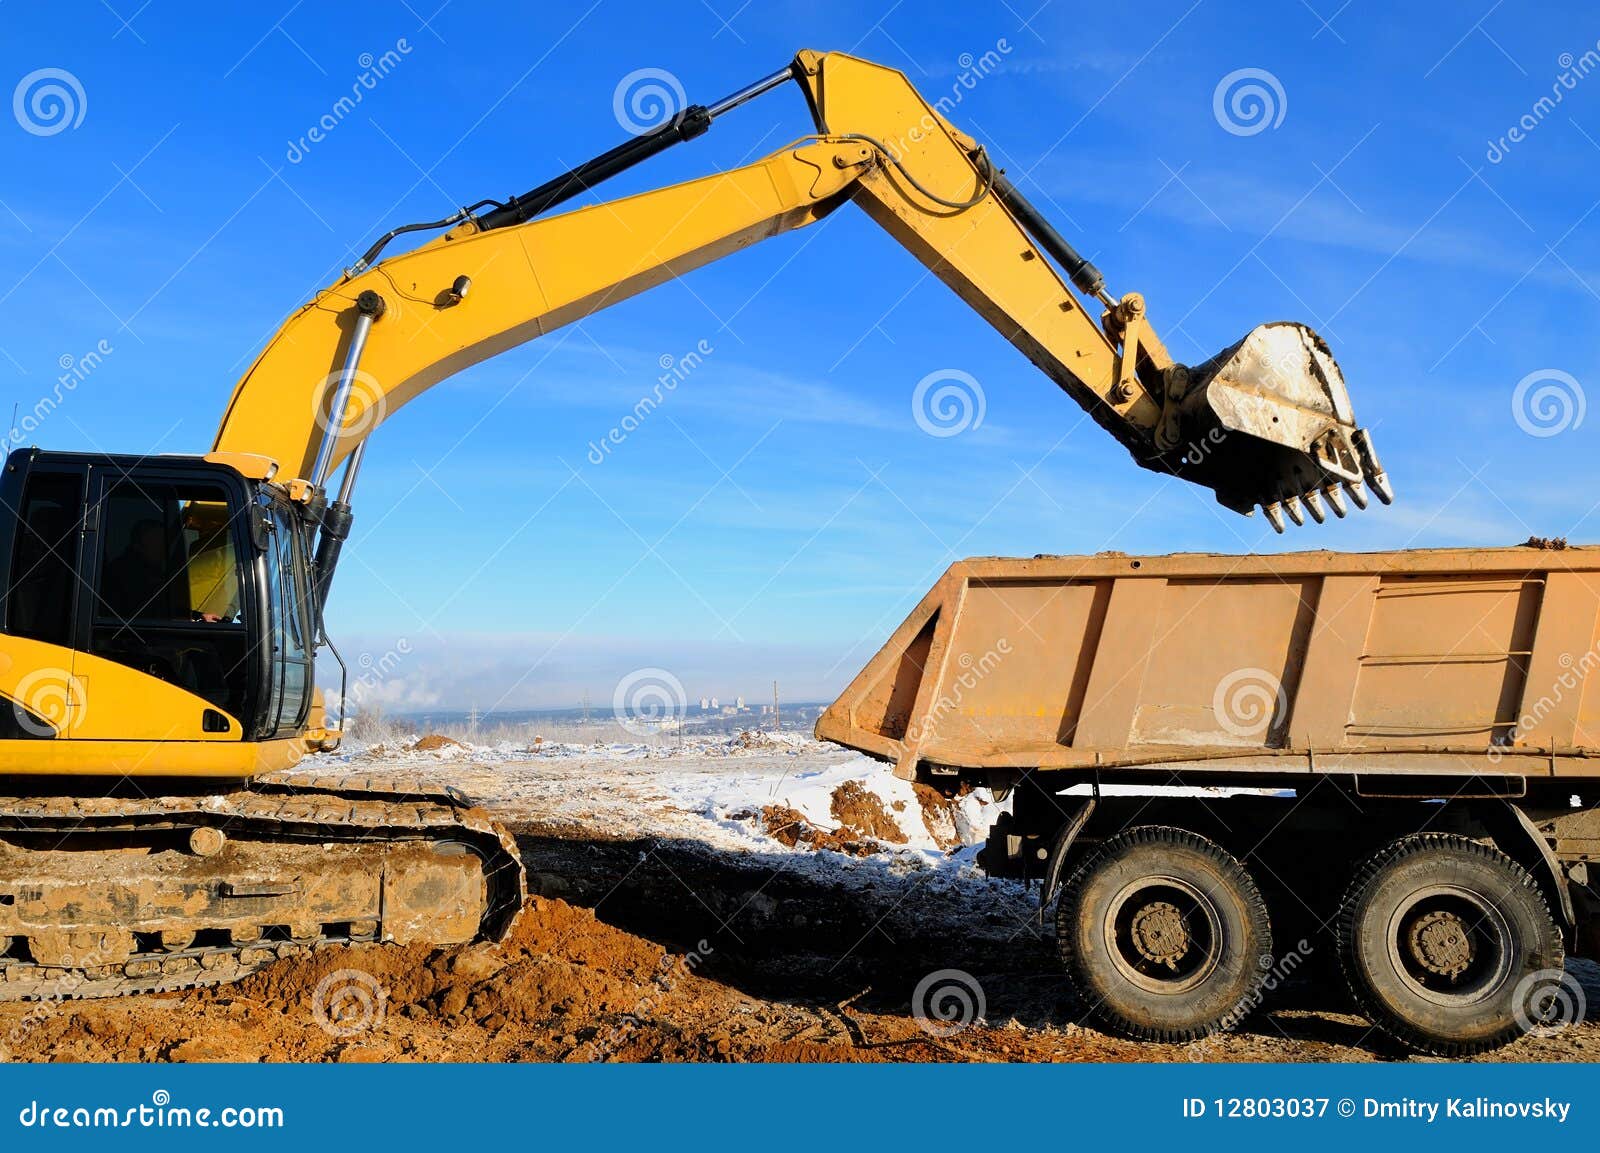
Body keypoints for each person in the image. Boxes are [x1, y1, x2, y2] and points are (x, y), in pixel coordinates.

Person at [101, 519, 184, 621]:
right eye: (156, 541)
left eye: (164, 541)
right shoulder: (126, 574)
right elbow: (147, 614)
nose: (163, 547)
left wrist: (195, 616)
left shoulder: (153, 570)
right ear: (138, 545)